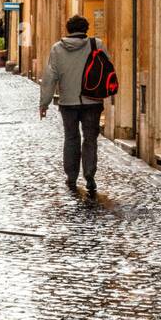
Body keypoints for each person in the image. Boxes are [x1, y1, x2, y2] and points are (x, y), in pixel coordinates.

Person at [39, 13, 106, 197]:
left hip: (68, 102)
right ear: (86, 29)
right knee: (90, 139)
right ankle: (90, 175)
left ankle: (71, 177)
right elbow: (107, 70)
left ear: (68, 30)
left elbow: (50, 77)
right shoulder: (97, 44)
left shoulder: (57, 49)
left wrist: (44, 103)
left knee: (71, 138)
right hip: (92, 101)